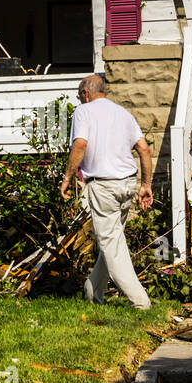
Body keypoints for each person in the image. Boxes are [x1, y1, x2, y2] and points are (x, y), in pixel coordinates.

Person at [59, 74, 153, 309]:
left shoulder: (84, 111)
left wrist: (68, 177)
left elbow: (80, 144)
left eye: (80, 95)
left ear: (86, 93)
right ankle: (92, 292)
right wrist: (146, 185)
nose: (80, 100)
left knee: (112, 245)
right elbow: (143, 149)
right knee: (112, 242)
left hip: (104, 186)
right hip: (127, 185)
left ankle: (141, 302)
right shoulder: (124, 114)